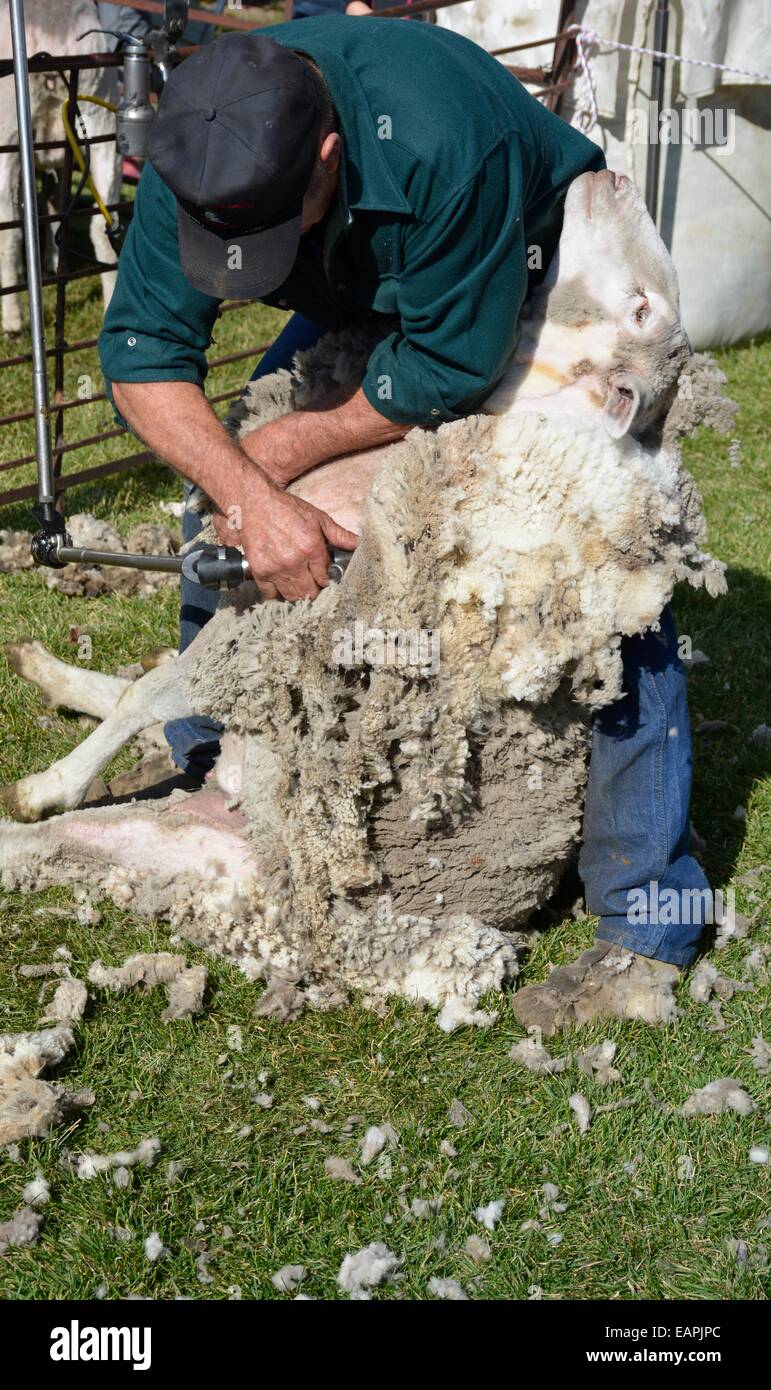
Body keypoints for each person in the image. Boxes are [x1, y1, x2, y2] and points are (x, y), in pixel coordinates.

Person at [98, 18, 709, 1027]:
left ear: (327, 156)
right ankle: (203, 750)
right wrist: (251, 495)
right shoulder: (205, 142)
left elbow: (448, 366)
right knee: (231, 477)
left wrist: (283, 455)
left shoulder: (444, 138)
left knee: (597, 552)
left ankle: (650, 921)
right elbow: (142, 358)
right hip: (364, 269)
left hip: (534, 269)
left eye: (263, 228)